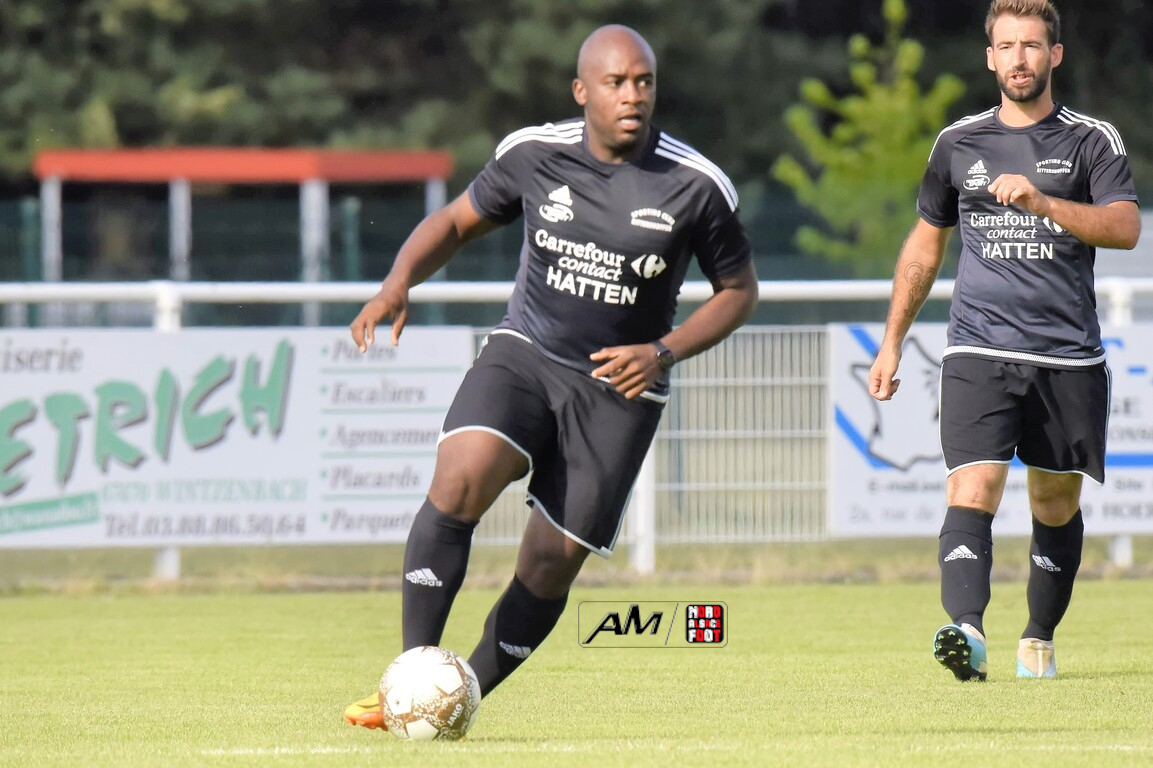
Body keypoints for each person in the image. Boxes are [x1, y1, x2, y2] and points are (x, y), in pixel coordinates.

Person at [343, 24, 758, 727]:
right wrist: (397, 281)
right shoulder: (534, 154)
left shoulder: (695, 185)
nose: (632, 96)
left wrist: (661, 351)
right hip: (526, 354)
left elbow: (738, 292)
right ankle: (410, 678)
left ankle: (460, 693)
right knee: (460, 477)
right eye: (616, 83)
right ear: (581, 91)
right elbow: (453, 221)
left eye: (643, 83)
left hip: (619, 391)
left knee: (547, 564)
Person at [869, 0, 1140, 682]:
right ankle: (966, 633)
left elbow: (1123, 227)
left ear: (1054, 55)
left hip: (1064, 355)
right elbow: (923, 250)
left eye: (1031, 45)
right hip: (976, 349)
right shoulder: (956, 144)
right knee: (973, 486)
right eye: (1006, 45)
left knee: (1053, 503)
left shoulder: (1091, 141)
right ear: (989, 57)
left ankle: (1037, 635)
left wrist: (1043, 203)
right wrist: (891, 340)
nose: (1018, 57)